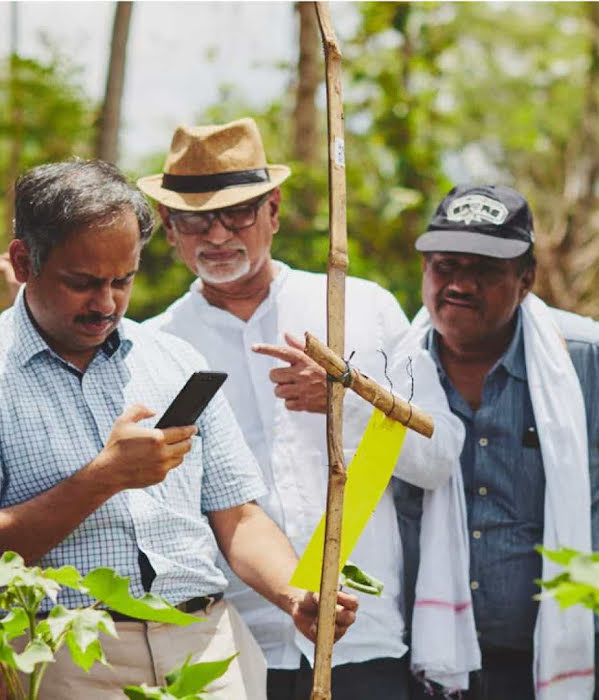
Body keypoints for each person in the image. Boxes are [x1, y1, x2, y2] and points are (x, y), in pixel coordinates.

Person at [0, 159, 358, 700]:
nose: (106, 305)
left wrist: (296, 593)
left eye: (123, 281)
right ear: (24, 262)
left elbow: (238, 515)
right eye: (82, 284)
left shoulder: (172, 360)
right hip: (64, 657)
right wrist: (104, 478)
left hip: (206, 647)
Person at [137, 117, 466, 699]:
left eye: (237, 212)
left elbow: (439, 457)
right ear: (167, 228)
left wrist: (351, 399)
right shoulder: (154, 348)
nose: (217, 235)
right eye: (194, 218)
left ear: (274, 211)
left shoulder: (359, 307)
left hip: (364, 639)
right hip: (225, 651)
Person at [395, 184, 599, 699]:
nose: (460, 285)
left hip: (555, 659)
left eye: (485, 270)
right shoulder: (392, 374)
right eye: (445, 266)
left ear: (526, 280)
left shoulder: (583, 363)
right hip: (423, 662)